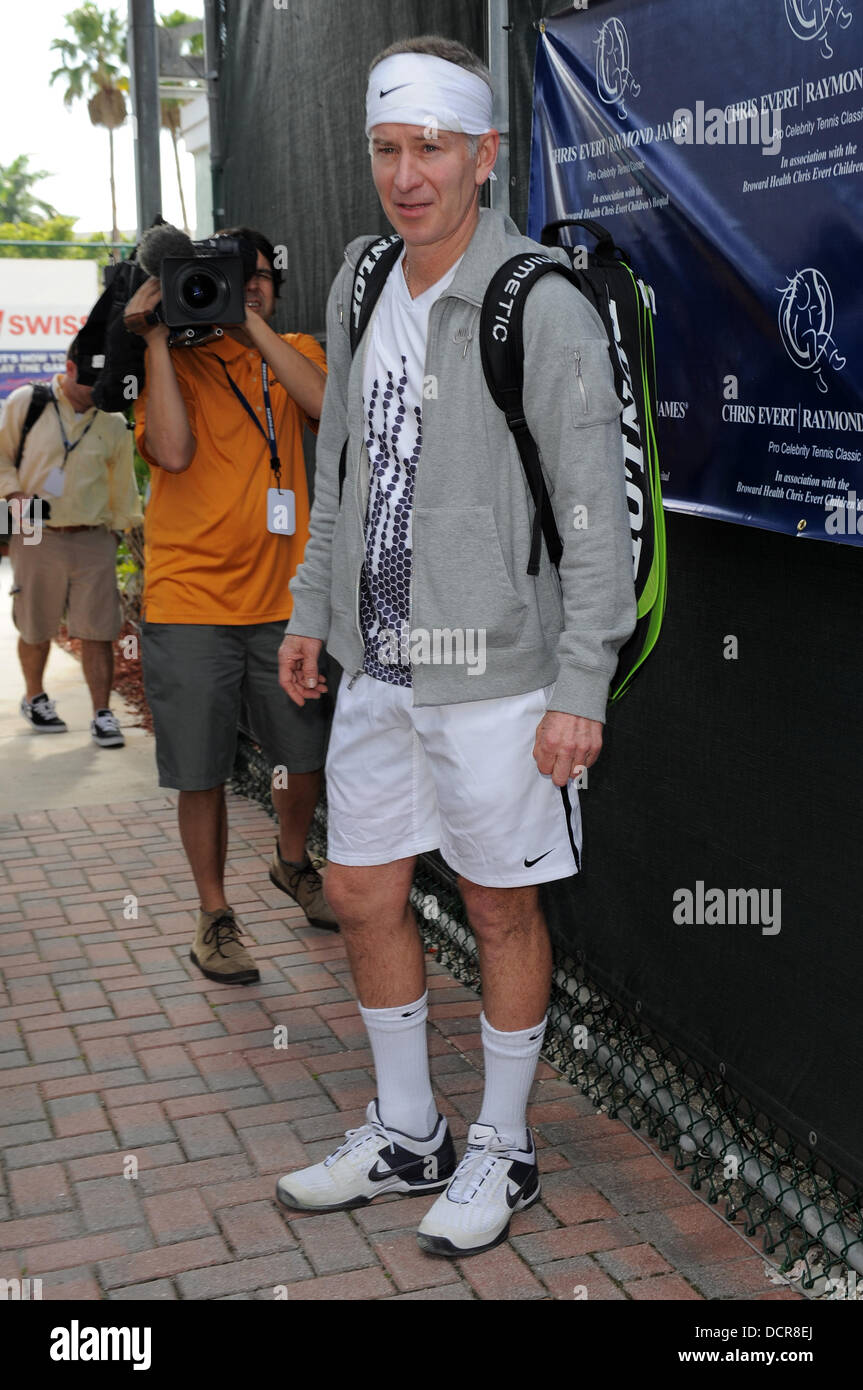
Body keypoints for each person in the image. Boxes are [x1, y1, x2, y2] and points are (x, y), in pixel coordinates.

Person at [274, 37, 637, 1257]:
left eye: (431, 146)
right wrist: (309, 611)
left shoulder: (539, 302)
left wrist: (579, 682)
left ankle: (501, 1145)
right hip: (379, 665)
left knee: (496, 908)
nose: (405, 174)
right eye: (385, 147)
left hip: (501, 675)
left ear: (484, 155)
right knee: (360, 887)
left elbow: (598, 519)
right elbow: (340, 471)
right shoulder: (360, 277)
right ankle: (407, 1129)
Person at [125, 226, 338, 989]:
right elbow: (174, 453)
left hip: (284, 603)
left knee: (302, 757)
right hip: (189, 601)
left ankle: (290, 860)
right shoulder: (169, 363)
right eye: (220, 277)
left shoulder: (293, 351)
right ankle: (214, 916)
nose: (242, 286)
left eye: (255, 277)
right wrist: (155, 339)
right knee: (200, 768)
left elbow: (324, 405)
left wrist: (247, 324)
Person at [0, 336, 142, 747]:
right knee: (35, 626)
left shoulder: (111, 420)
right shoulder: (28, 403)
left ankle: (102, 714)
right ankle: (35, 697)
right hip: (36, 534)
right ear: (69, 367)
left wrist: (117, 530)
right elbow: (2, 456)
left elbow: (122, 486)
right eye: (90, 382)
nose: (95, 392)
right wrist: (13, 495)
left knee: (99, 631)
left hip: (93, 538)